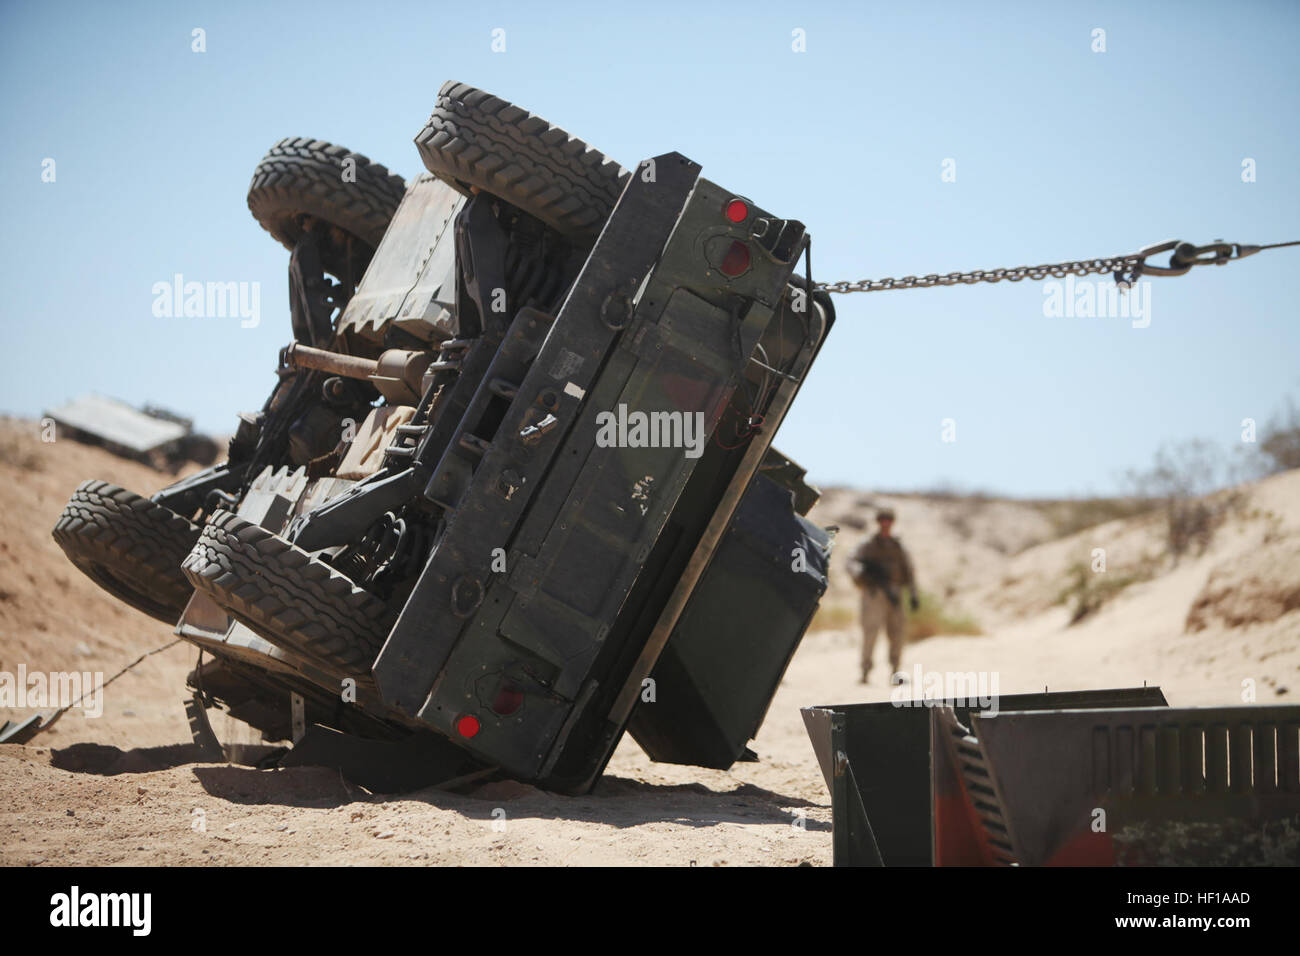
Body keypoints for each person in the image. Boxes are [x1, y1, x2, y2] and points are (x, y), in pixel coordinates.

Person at [848, 507, 919, 684]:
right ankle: (865, 671)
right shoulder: (868, 544)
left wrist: (913, 594)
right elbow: (851, 561)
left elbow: (909, 571)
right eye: (882, 520)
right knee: (870, 632)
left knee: (897, 633)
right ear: (878, 522)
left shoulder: (898, 546)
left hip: (894, 593)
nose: (886, 523)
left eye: (889, 520)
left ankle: (895, 670)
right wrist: (862, 572)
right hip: (873, 594)